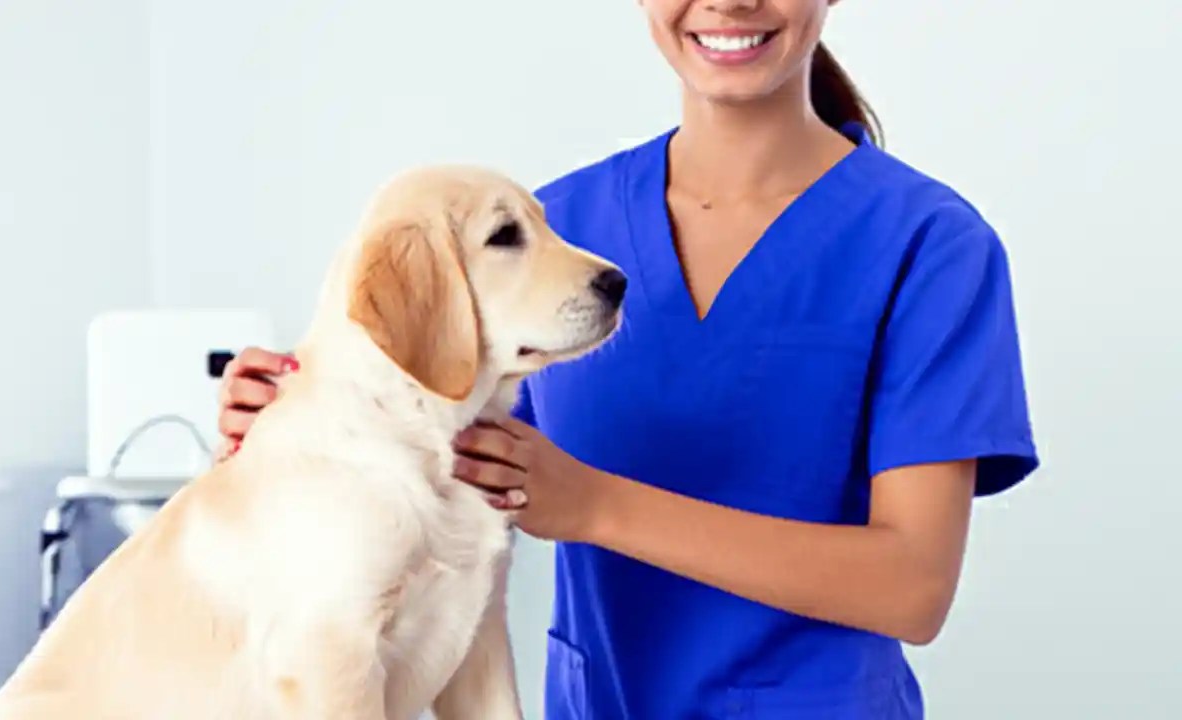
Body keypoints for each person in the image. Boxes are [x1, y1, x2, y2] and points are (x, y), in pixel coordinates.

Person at [215, 1, 1039, 717]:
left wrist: (593, 506)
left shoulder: (930, 246)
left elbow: (912, 588)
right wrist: (314, 424)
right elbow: (450, 471)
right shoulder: (551, 232)